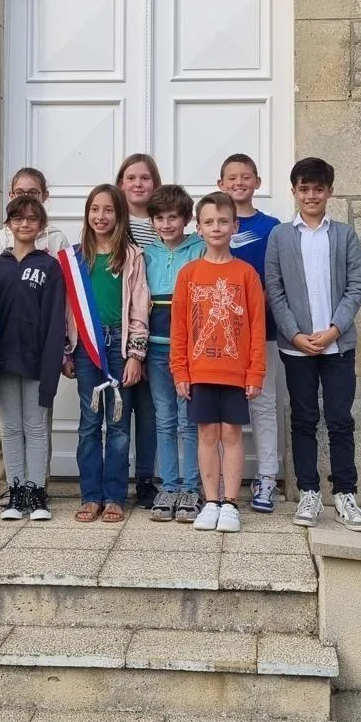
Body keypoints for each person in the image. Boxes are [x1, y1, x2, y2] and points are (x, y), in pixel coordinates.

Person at [265, 157, 361, 532]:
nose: (311, 195)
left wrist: (333, 330)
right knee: (304, 418)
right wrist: (294, 333)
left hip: (337, 346)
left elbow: (357, 286)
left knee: (340, 419)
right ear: (294, 192)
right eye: (304, 189)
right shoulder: (280, 236)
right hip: (296, 347)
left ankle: (345, 493)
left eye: (318, 189)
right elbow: (274, 289)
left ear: (329, 191)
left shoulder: (344, 235)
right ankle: (309, 491)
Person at [171, 192, 266, 532]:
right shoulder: (189, 274)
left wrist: (255, 371)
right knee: (207, 434)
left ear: (234, 226)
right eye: (209, 222)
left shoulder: (246, 274)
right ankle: (210, 500)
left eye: (223, 221)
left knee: (232, 434)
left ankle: (230, 503)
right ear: (198, 228)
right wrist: (179, 369)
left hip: (235, 372)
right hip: (200, 370)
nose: (216, 228)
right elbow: (179, 327)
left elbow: (256, 327)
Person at [61, 184, 149, 524]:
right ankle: (90, 495)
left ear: (119, 214)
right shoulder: (74, 258)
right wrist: (65, 351)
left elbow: (140, 308)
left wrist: (135, 355)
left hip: (119, 345)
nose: (101, 216)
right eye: (95, 209)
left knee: (118, 424)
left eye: (108, 210)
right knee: (88, 423)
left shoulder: (132, 256)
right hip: (85, 347)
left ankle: (114, 495)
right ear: (87, 214)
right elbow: (66, 308)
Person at [0, 167, 70, 503]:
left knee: (35, 425)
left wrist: (60, 352)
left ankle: (36, 490)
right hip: (4, 358)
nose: (24, 223)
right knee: (11, 427)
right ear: (9, 222)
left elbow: (57, 312)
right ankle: (14, 489)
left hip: (36, 358)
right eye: (17, 217)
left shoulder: (50, 261)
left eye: (32, 217)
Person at [218, 153, 281, 513]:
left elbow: (276, 278)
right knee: (222, 409)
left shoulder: (272, 227)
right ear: (220, 184)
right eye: (232, 178)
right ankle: (222, 480)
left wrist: (257, 309)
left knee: (264, 403)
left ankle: (268, 476)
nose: (239, 183)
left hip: (262, 331)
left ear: (257, 182)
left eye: (246, 177)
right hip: (220, 338)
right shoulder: (213, 223)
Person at [143, 185, 205, 523]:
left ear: (186, 219)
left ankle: (190, 488)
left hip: (189, 352)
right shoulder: (146, 254)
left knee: (188, 421)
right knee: (164, 420)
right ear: (152, 221)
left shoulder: (199, 250)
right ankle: (168, 486)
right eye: (160, 218)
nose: (167, 224)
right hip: (155, 349)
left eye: (173, 217)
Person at [115, 153, 160, 508]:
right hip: (122, 325)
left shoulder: (164, 224)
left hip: (156, 326)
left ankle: (146, 478)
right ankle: (116, 476)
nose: (138, 184)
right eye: (131, 178)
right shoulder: (114, 225)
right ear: (120, 184)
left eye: (145, 178)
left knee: (149, 411)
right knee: (120, 408)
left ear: (154, 184)